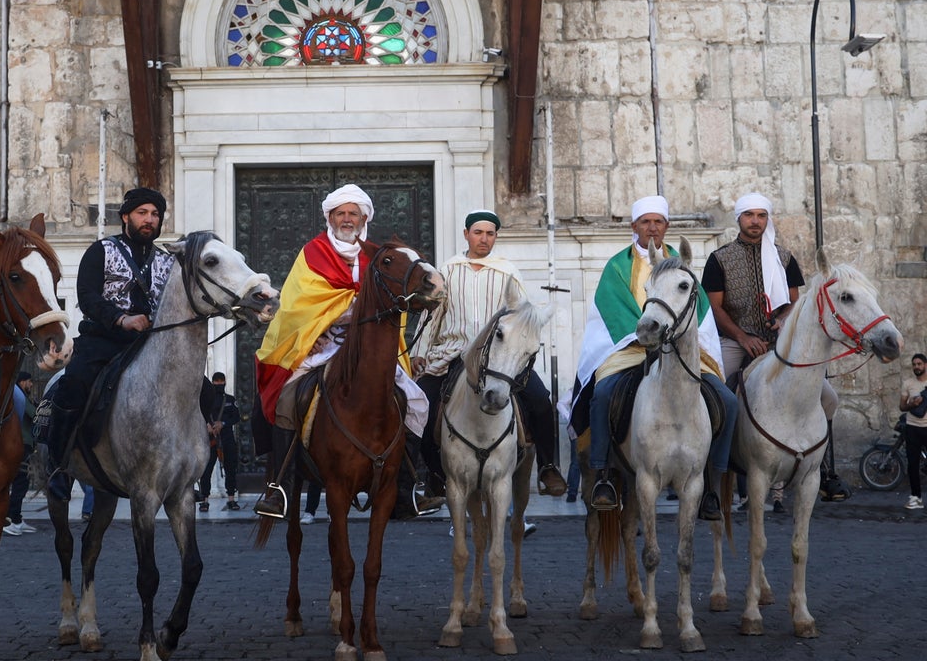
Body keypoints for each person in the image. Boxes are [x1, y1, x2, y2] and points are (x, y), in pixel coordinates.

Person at [253, 184, 441, 520]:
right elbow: (297, 306)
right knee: (286, 399)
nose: (347, 219)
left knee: (416, 400)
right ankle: (278, 487)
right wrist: (337, 312)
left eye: (353, 213)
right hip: (322, 345)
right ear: (330, 217)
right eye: (340, 213)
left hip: (370, 350)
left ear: (364, 217)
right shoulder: (313, 252)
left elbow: (395, 297)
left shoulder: (380, 256)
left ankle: (409, 484)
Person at [573, 195, 738, 520]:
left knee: (728, 402)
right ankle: (603, 476)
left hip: (678, 350)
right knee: (604, 394)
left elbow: (700, 313)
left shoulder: (681, 265)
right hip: (629, 349)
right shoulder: (617, 266)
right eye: (645, 222)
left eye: (657, 222)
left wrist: (677, 338)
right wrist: (645, 333)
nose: (651, 227)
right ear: (634, 226)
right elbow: (611, 310)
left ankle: (712, 484)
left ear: (666, 227)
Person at [702, 192, 850, 501]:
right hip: (734, 341)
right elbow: (714, 308)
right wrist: (743, 337)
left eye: (761, 215)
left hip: (778, 345)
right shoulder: (719, 259)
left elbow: (795, 303)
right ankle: (711, 478)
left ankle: (821, 470)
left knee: (829, 399)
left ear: (767, 219)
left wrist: (783, 320)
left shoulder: (784, 258)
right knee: (714, 398)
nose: (755, 221)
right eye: (749, 215)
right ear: (739, 219)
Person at [412, 209, 566, 499]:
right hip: (453, 354)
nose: (484, 239)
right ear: (466, 234)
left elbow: (523, 316)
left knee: (541, 401)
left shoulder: (509, 272)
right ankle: (434, 475)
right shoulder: (448, 270)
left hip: (501, 358)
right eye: (478, 232)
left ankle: (548, 467)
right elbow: (433, 314)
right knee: (421, 406)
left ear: (496, 237)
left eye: (490, 234)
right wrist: (419, 352)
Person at [46, 188, 176, 488]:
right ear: (126, 216)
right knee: (74, 383)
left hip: (149, 344)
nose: (150, 220)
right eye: (143, 213)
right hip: (103, 340)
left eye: (155, 215)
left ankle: (187, 466)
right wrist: (121, 319)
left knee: (200, 389)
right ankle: (58, 463)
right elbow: (87, 296)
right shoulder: (102, 250)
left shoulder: (167, 261)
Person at [197, 373, 242, 512]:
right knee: (206, 471)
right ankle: (204, 500)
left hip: (227, 439)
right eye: (216, 381)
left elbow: (236, 417)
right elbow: (198, 415)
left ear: (225, 382)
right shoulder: (204, 400)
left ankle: (231, 499)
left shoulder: (230, 399)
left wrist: (222, 423)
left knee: (230, 469)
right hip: (210, 440)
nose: (219, 384)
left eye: (221, 381)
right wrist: (207, 425)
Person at [4, 371, 38, 536]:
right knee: (20, 483)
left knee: (21, 483)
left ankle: (16, 518)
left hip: (24, 444)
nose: (31, 385)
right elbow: (35, 415)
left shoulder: (20, 396)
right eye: (30, 381)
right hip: (21, 444)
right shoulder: (20, 397)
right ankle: (12, 519)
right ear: (22, 382)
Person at [900, 352, 927, 510]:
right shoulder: (908, 383)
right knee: (913, 464)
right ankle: (916, 498)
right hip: (912, 427)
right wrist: (912, 404)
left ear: (925, 365)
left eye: (919, 364)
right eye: (914, 364)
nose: (916, 367)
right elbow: (902, 407)